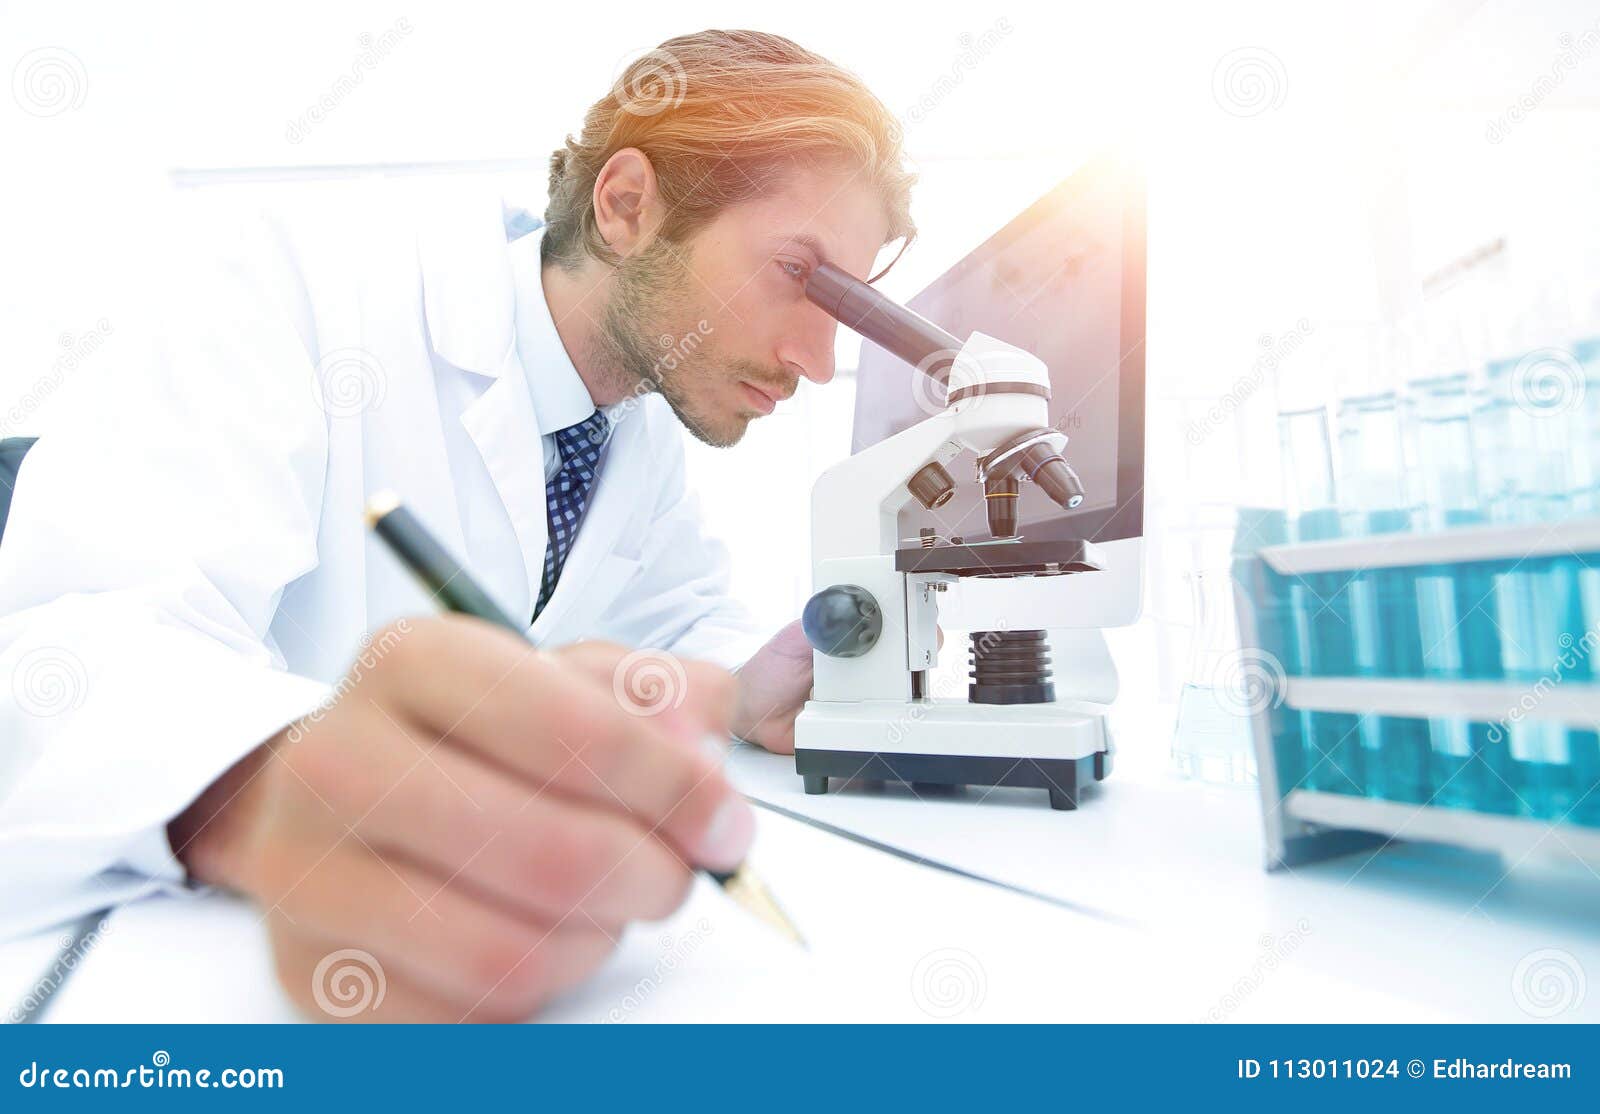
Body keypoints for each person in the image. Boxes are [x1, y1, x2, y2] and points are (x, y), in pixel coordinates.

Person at [0, 28, 915, 1020]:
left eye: (852, 305)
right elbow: (75, 646)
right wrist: (281, 794)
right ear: (626, 205)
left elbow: (679, 621)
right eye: (797, 274)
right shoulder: (290, 282)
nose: (821, 357)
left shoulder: (635, 429)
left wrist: (757, 686)